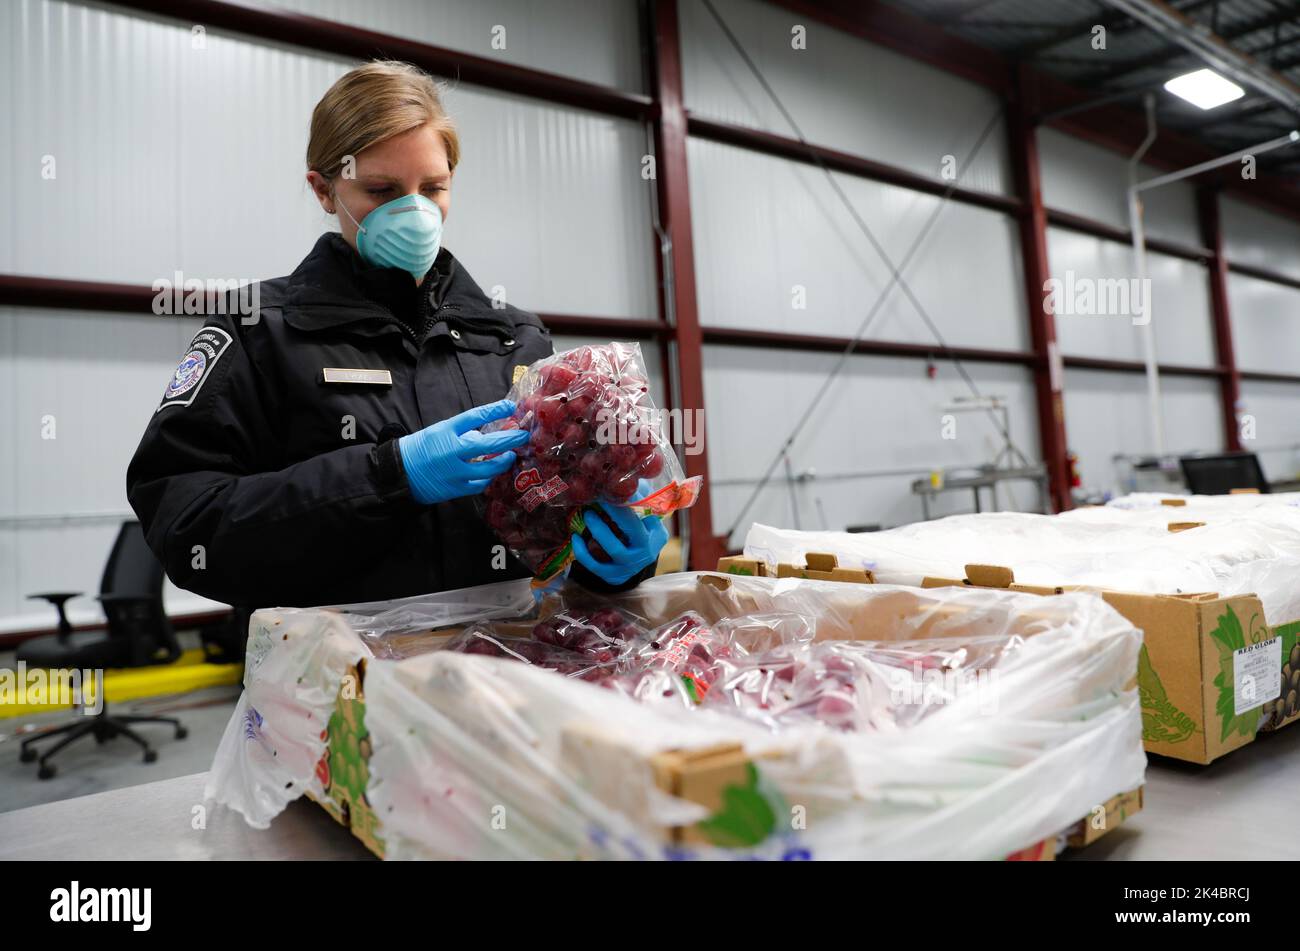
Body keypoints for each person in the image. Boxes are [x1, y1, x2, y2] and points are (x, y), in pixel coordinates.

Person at [126, 60, 667, 616]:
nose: (415, 213)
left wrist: (618, 558)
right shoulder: (259, 331)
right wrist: (388, 476)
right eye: (382, 191)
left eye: (433, 187)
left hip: (499, 674)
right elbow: (186, 523)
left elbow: (556, 522)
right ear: (323, 189)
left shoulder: (514, 340)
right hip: (337, 683)